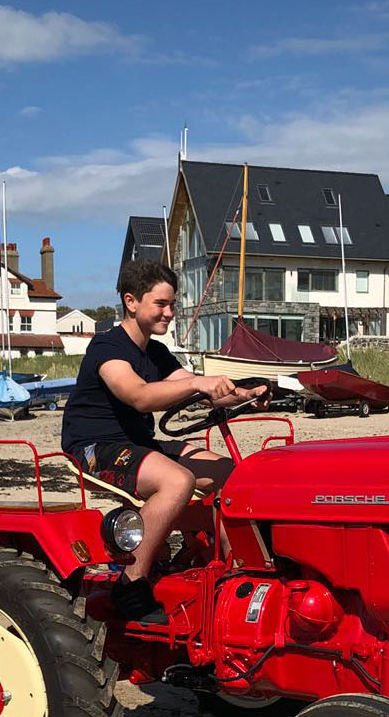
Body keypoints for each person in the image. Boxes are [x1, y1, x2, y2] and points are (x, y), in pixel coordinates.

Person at [61, 259, 265, 624]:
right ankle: (131, 582)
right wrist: (196, 382)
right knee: (178, 480)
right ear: (131, 301)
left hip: (138, 443)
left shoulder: (155, 352)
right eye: (161, 304)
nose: (169, 312)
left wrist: (248, 394)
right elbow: (139, 396)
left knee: (232, 474)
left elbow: (201, 392)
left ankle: (232, 569)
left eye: (172, 304)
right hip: (95, 448)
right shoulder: (107, 348)